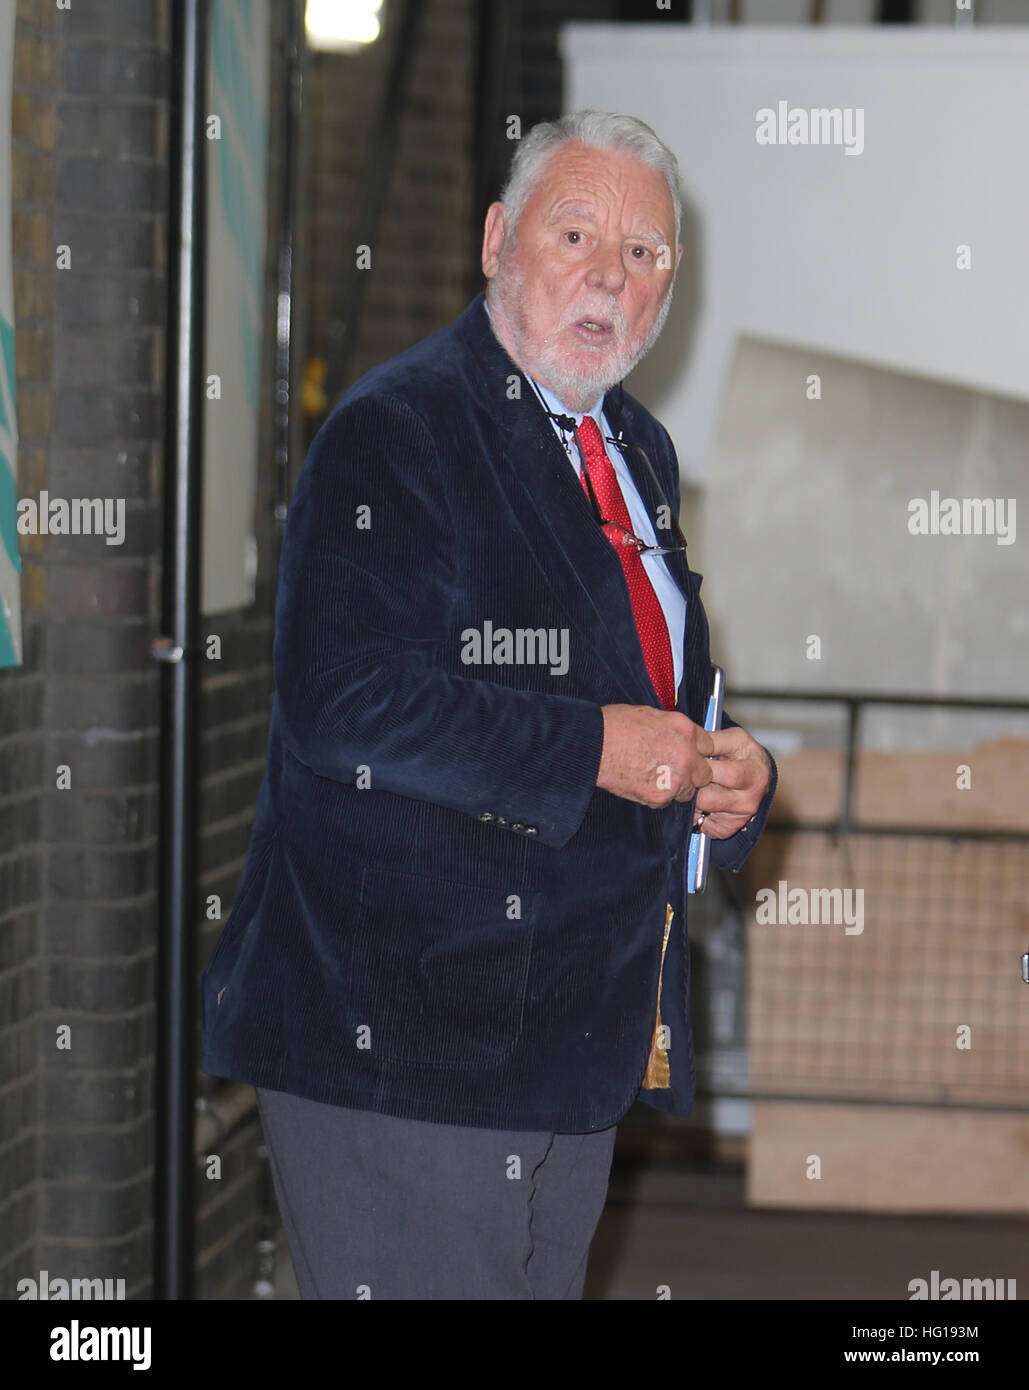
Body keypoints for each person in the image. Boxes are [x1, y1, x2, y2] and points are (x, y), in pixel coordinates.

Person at [201, 109, 776, 1300]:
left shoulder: (638, 451)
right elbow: (343, 705)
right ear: (497, 239)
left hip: (566, 1038)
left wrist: (716, 772)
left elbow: (635, 686)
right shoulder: (395, 431)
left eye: (648, 253)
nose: (610, 276)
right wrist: (596, 749)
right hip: (405, 1040)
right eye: (576, 234)